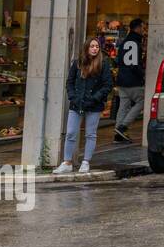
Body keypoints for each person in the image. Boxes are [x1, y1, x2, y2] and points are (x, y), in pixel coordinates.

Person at [56, 36, 112, 175]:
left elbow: (107, 85)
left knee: (90, 134)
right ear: (86, 48)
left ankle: (86, 162)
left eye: (97, 46)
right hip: (77, 104)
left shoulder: (103, 64)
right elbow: (69, 82)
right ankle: (67, 162)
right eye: (92, 46)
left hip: (94, 105)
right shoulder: (77, 63)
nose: (94, 49)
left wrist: (95, 98)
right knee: (70, 133)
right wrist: (73, 97)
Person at [113, 19, 146, 144]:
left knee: (123, 106)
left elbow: (119, 60)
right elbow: (135, 64)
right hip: (133, 80)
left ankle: (118, 134)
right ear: (137, 28)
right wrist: (142, 76)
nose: (143, 30)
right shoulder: (135, 42)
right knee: (142, 101)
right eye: (142, 27)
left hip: (122, 79)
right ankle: (123, 126)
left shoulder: (124, 42)